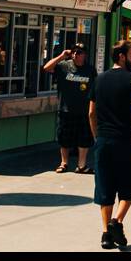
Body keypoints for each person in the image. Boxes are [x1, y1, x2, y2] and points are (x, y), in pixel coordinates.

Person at [88, 40, 131, 250]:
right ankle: (116, 222)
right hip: (126, 140)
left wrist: (97, 136)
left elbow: (91, 112)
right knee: (129, 186)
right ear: (121, 56)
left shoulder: (99, 79)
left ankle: (106, 234)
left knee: (105, 187)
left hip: (103, 141)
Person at [43, 43, 95, 174]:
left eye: (80, 52)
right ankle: (64, 163)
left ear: (85, 55)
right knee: (64, 138)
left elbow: (95, 89)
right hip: (66, 109)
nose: (76, 55)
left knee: (84, 138)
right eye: (75, 52)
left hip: (83, 110)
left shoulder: (90, 70)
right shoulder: (64, 66)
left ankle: (81, 165)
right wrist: (61, 56)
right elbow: (46, 68)